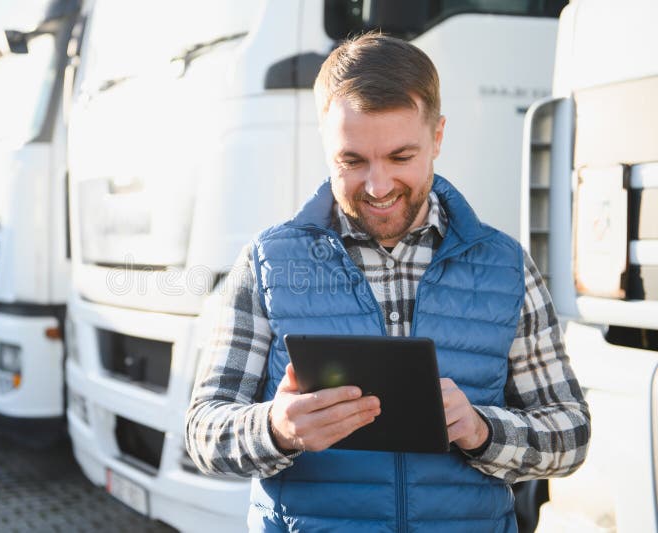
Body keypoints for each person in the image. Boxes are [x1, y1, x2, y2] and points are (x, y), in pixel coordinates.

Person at [185, 32, 590, 532]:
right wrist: (276, 429)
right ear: (326, 145)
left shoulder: (505, 266)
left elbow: (571, 436)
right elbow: (204, 432)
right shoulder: (269, 260)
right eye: (351, 161)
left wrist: (482, 430)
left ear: (438, 137)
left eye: (401, 157)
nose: (377, 187)